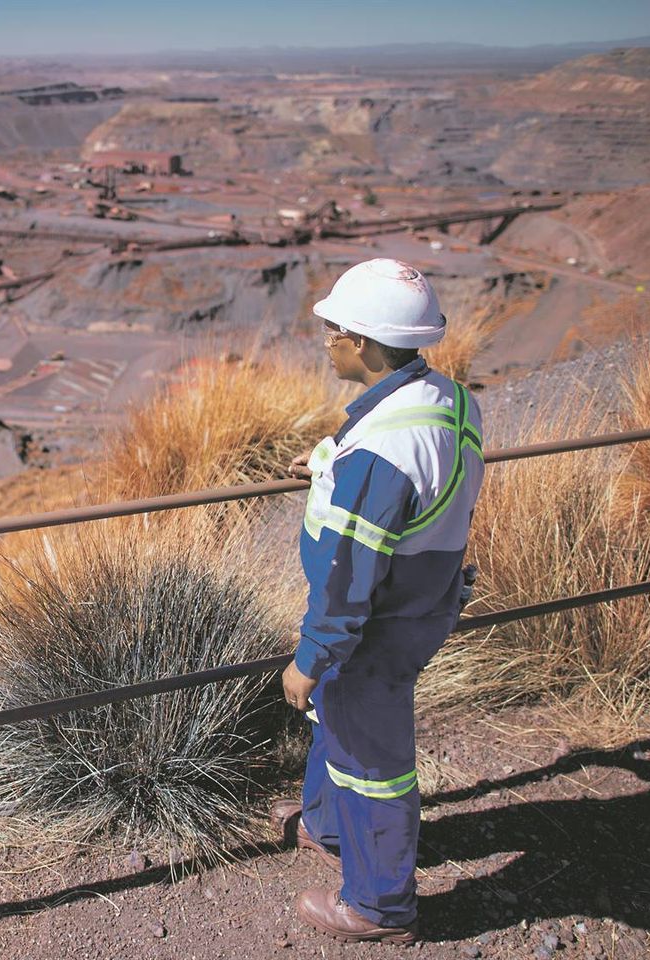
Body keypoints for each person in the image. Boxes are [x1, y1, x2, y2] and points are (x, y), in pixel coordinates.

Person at [274, 258, 485, 944]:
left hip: (377, 625)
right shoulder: (449, 398)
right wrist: (332, 454)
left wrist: (309, 659)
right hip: (427, 600)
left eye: (332, 330)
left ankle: (377, 907)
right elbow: (401, 453)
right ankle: (326, 826)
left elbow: (345, 579)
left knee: (373, 762)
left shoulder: (381, 457)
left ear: (360, 344)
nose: (325, 339)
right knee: (343, 721)